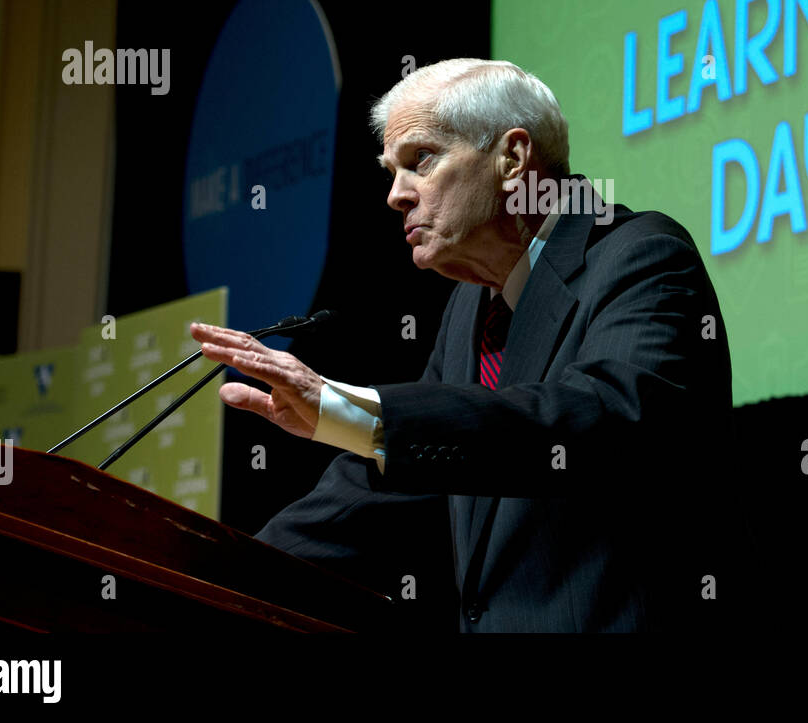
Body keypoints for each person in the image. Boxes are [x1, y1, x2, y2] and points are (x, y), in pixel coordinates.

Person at [190, 59, 741, 632]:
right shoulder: (469, 310)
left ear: (513, 158)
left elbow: (599, 422)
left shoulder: (641, 255)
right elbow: (388, 484)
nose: (395, 197)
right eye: (390, 171)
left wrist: (351, 407)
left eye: (420, 161)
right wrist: (216, 569)